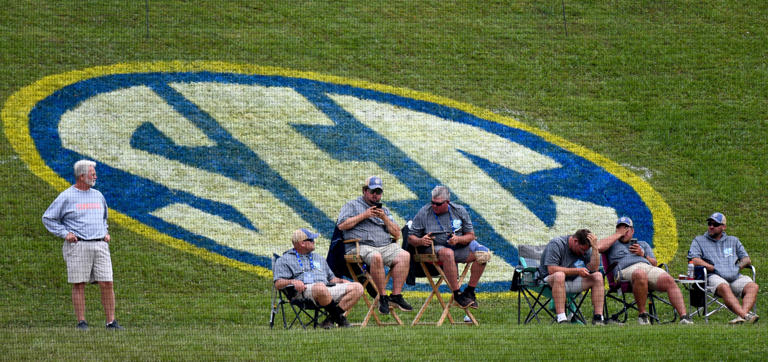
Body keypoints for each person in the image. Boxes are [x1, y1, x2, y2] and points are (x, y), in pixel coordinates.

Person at [42, 160, 122, 330]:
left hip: (100, 246)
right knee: (79, 283)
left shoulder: (98, 195)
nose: (95, 176)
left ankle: (111, 322)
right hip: (79, 246)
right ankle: (81, 322)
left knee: (107, 282)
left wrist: (105, 232)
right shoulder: (67, 196)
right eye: (92, 173)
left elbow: (104, 217)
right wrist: (65, 234)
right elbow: (48, 218)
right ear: (81, 176)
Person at [337, 176, 412, 314]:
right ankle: (382, 297)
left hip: (384, 245)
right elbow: (341, 225)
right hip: (359, 246)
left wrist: (384, 218)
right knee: (376, 257)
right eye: (372, 192)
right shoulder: (352, 205)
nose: (375, 196)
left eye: (378, 192)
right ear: (365, 191)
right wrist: (364, 215)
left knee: (405, 255)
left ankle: (395, 296)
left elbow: (397, 234)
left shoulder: (385, 210)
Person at [597, 217, 694, 325]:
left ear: (632, 231)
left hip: (647, 267)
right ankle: (643, 315)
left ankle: (684, 317)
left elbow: (654, 263)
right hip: (624, 272)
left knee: (668, 279)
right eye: (620, 228)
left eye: (626, 229)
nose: (623, 231)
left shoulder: (643, 244)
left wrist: (643, 254)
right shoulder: (611, 244)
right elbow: (598, 247)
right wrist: (618, 235)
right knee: (640, 273)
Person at [407, 186, 491, 308]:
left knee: (483, 255)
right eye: (432, 203)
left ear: (447, 202)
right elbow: (410, 238)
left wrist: (458, 239)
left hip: (458, 247)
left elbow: (471, 236)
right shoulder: (424, 212)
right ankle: (457, 294)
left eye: (438, 204)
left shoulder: (459, 210)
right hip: (433, 249)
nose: (434, 206)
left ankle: (470, 291)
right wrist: (420, 240)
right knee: (447, 253)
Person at [273, 228, 364, 328]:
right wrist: (293, 281)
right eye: (311, 240)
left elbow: (331, 279)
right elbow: (278, 284)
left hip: (326, 288)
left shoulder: (318, 258)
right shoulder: (284, 259)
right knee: (320, 287)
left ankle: (330, 319)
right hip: (304, 292)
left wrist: (342, 281)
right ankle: (340, 319)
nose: (314, 242)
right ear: (302, 243)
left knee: (357, 287)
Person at [688, 212, 759, 324]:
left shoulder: (733, 240)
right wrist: (710, 267)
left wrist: (737, 268)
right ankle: (745, 315)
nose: (711, 226)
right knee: (724, 287)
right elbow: (694, 259)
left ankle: (742, 315)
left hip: (734, 276)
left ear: (723, 227)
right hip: (714, 276)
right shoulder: (699, 240)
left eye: (715, 224)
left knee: (753, 287)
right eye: (709, 224)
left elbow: (746, 259)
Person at [539, 229, 605, 325]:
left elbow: (594, 268)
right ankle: (562, 319)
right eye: (582, 250)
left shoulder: (585, 248)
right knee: (559, 275)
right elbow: (551, 270)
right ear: (575, 241)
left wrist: (595, 248)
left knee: (598, 276)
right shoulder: (557, 244)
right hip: (549, 282)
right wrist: (577, 271)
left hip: (572, 281)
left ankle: (598, 318)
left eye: (586, 250)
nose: (584, 253)